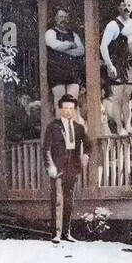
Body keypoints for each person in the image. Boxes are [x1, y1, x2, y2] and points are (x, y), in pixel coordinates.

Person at [43, 94, 91, 244]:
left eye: (71, 108)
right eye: (65, 108)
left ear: (74, 109)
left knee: (69, 201)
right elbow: (46, 149)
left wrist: (85, 158)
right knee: (58, 200)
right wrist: (50, 165)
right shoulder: (53, 127)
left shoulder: (79, 127)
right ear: (60, 109)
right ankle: (56, 234)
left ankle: (67, 233)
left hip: (73, 167)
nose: (68, 111)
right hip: (57, 168)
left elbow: (88, 146)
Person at [100, 0, 132, 133]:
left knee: (127, 99)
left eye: (129, 5)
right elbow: (103, 46)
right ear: (118, 7)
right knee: (118, 99)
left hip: (130, 66)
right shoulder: (113, 25)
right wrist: (109, 65)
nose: (127, 8)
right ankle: (119, 127)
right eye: (124, 5)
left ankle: (127, 126)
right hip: (118, 65)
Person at [45, 8, 86, 117]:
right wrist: (71, 44)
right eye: (61, 17)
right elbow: (54, 45)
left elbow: (81, 51)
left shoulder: (74, 34)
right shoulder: (50, 32)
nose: (63, 19)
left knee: (73, 102)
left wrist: (64, 48)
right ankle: (61, 130)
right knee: (60, 102)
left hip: (72, 73)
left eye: (65, 17)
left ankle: (72, 130)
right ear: (55, 18)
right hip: (57, 72)